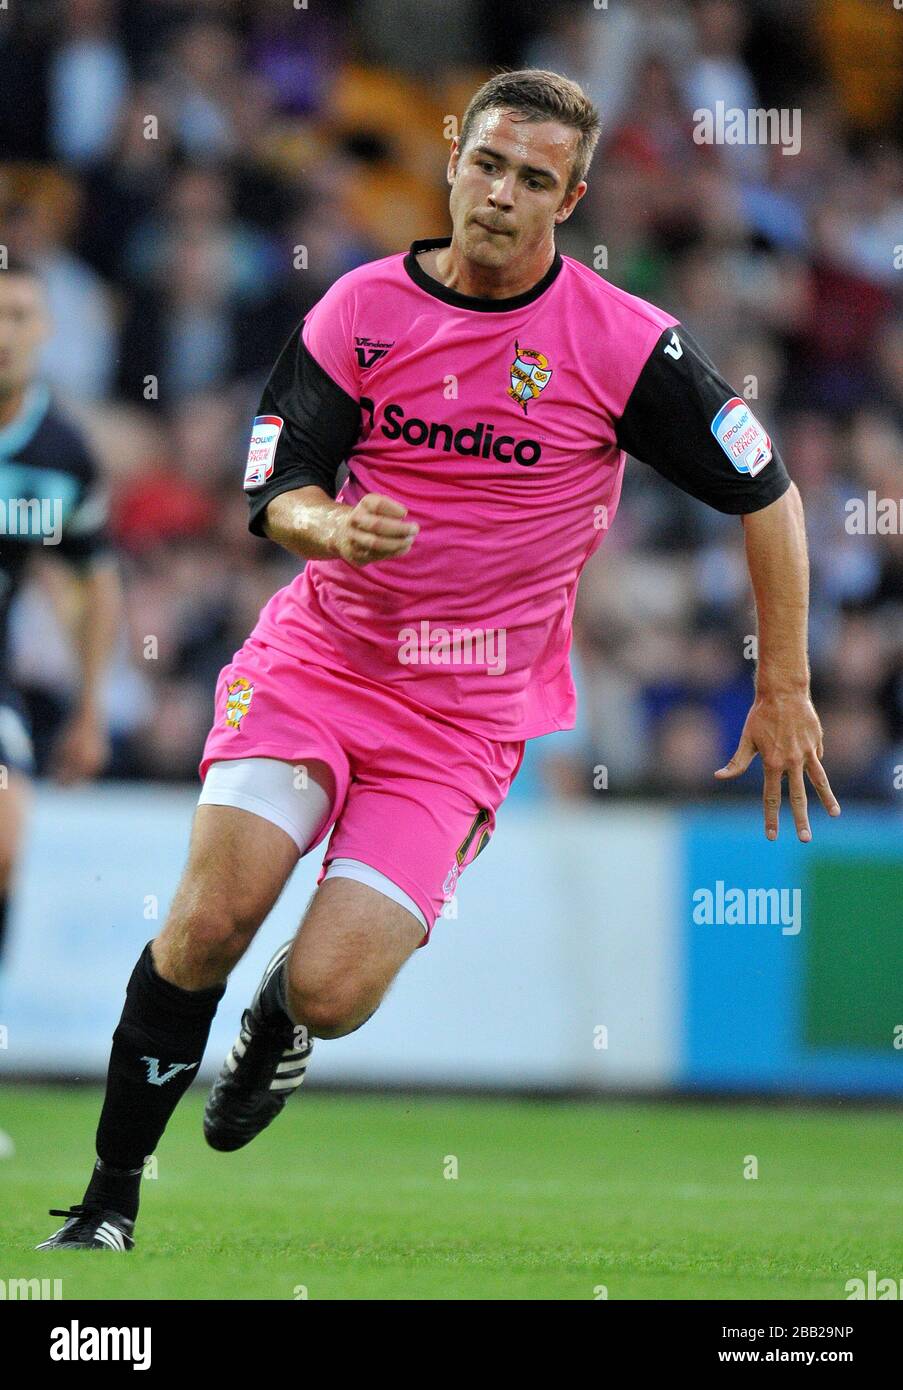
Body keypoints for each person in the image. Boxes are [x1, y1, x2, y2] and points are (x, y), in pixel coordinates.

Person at [37, 70, 839, 1253]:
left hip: (463, 718)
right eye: (488, 164)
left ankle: (279, 1025)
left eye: (534, 180)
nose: (501, 195)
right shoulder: (358, 309)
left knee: (332, 989)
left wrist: (784, 688)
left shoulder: (627, 349)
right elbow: (276, 487)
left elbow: (769, 497)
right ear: (453, 154)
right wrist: (328, 526)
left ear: (570, 198)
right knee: (211, 913)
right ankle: (107, 1203)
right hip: (321, 659)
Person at [0, 257, 120, 1157]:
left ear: (46, 332)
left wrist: (87, 709)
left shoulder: (60, 454)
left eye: (21, 314)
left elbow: (92, 575)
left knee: (5, 837)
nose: (5, 329)